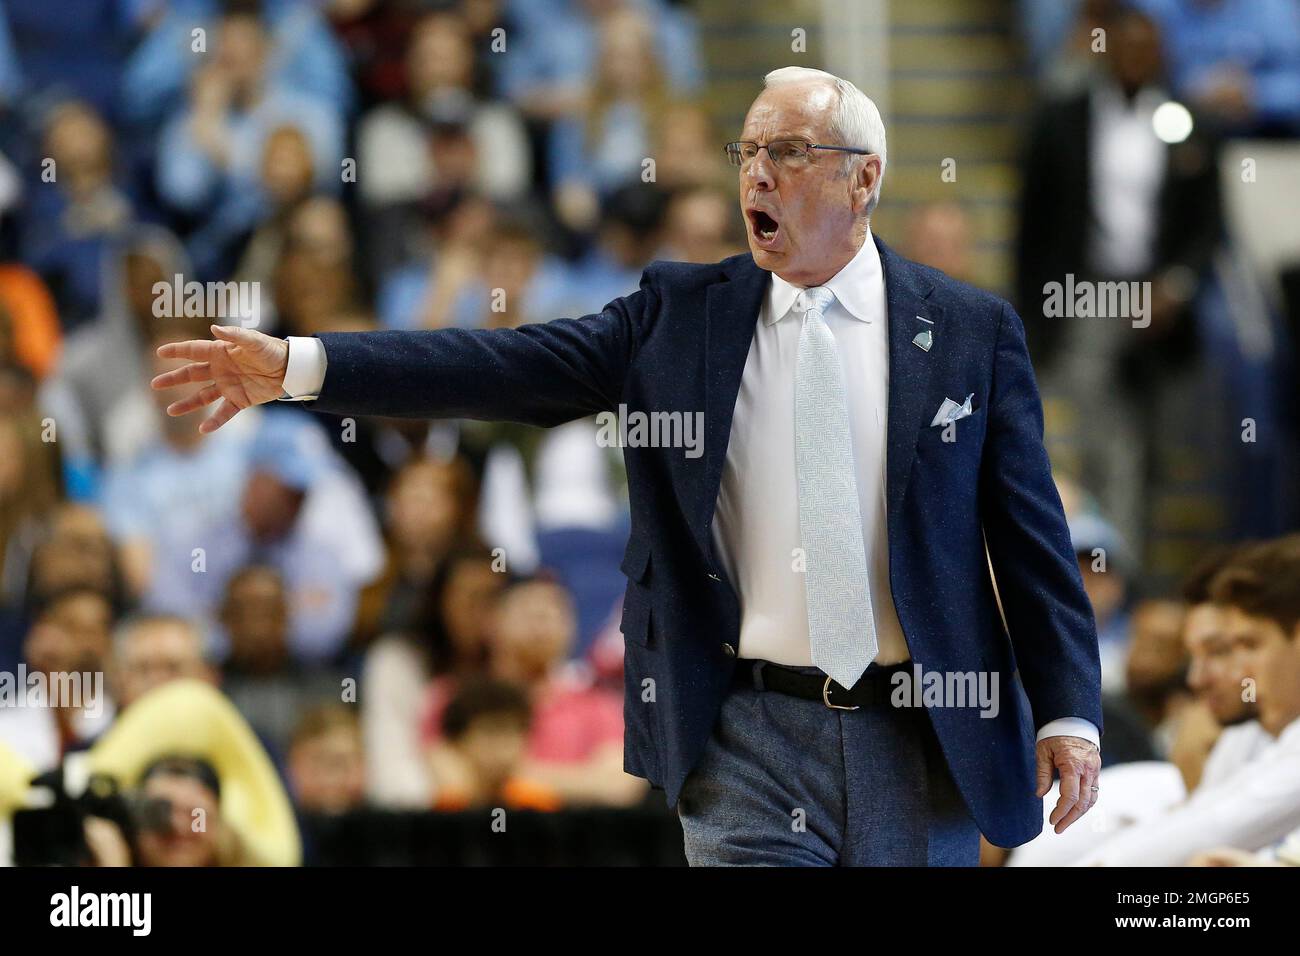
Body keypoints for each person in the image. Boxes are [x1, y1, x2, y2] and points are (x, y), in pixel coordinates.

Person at [152, 66, 1103, 866]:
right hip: (747, 735)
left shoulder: (972, 332)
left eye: (788, 154)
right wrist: (304, 366)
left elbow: (1030, 538)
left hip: (921, 732)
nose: (757, 175)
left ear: (864, 181)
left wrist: (1068, 711)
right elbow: (505, 368)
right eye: (748, 152)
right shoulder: (678, 316)